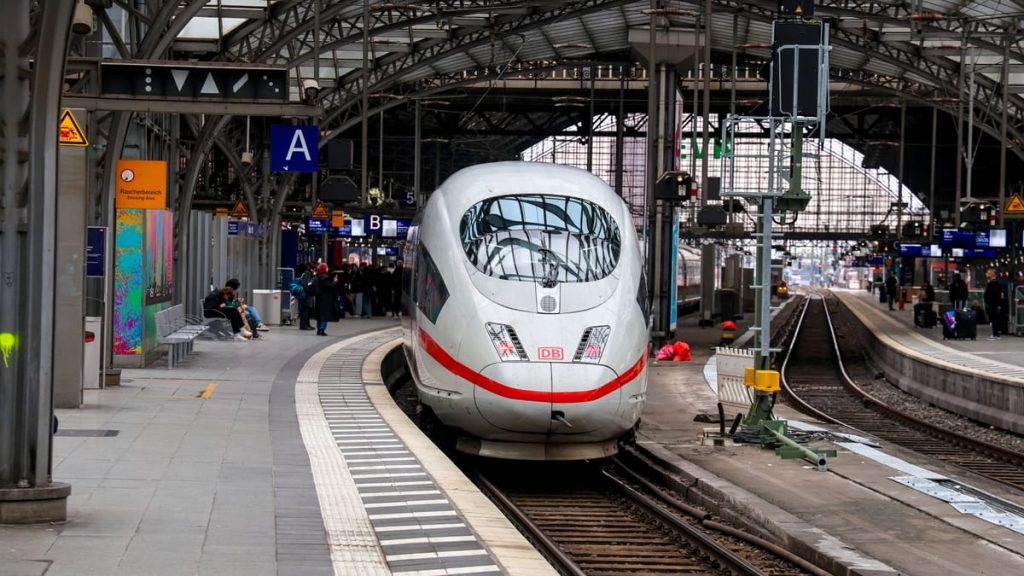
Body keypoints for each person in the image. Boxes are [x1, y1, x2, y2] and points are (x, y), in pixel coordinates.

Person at [312, 263, 340, 336]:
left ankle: (318, 329)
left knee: (320, 315)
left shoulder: (317, 277)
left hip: (319, 298)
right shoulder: (325, 277)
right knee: (325, 315)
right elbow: (330, 286)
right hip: (325, 299)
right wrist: (335, 281)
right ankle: (322, 329)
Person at [983, 268, 1006, 340]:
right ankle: (996, 334)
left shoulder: (994, 283)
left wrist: (992, 303)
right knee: (994, 319)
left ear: (993, 274)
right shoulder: (993, 283)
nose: (987, 274)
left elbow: (995, 295)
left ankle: (996, 334)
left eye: (988, 272)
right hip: (993, 304)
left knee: (994, 319)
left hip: (993, 304)